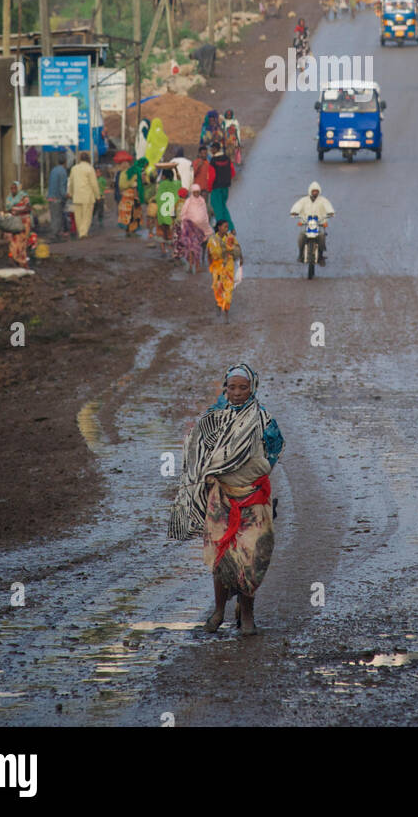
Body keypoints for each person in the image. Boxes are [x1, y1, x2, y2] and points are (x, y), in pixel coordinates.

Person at [168, 362, 284, 637]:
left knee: (250, 558)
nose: (237, 393)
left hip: (254, 498)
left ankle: (246, 614)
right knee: (221, 559)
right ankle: (219, 611)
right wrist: (212, 474)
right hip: (220, 499)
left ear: (252, 388)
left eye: (243, 387)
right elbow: (196, 451)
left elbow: (274, 450)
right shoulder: (212, 418)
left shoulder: (263, 420)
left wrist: (249, 471)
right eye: (232, 387)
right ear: (225, 388)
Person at [290, 181, 334, 265]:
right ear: (310, 191)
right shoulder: (303, 200)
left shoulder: (323, 200)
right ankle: (300, 254)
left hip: (319, 223)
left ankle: (321, 256)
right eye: (313, 191)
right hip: (306, 223)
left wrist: (331, 212)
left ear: (319, 191)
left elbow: (328, 207)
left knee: (321, 236)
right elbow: (297, 206)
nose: (315, 193)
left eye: (316, 191)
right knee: (302, 235)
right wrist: (294, 212)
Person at [206, 220, 242, 320]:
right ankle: (218, 303)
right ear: (219, 227)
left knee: (228, 289)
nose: (227, 229)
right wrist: (210, 266)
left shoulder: (230, 237)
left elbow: (238, 248)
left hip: (228, 267)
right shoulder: (212, 239)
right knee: (217, 287)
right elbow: (208, 253)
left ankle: (226, 313)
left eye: (227, 227)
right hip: (217, 268)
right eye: (225, 227)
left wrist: (240, 258)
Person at [180, 183, 213, 273]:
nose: (196, 194)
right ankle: (191, 266)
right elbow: (183, 213)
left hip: (200, 229)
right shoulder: (188, 201)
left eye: (198, 192)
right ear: (192, 192)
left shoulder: (202, 201)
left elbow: (205, 215)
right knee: (191, 248)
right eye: (195, 192)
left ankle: (197, 266)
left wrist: (206, 227)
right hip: (190, 228)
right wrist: (183, 225)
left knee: (197, 248)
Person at [67, 151, 100, 239]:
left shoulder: (74, 168)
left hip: (77, 196)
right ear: (88, 159)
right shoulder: (90, 168)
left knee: (78, 216)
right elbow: (94, 184)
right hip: (87, 196)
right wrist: (98, 195)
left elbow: (71, 182)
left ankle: (80, 232)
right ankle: (83, 233)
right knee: (87, 215)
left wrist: (70, 193)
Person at [209, 144, 235, 228]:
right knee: (223, 207)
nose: (211, 150)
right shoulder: (227, 158)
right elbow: (233, 172)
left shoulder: (213, 160)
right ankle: (230, 228)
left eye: (212, 149)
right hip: (225, 188)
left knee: (217, 209)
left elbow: (212, 176)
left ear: (215, 149)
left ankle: (220, 228)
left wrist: (209, 188)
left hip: (216, 188)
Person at [6, 189, 33, 269]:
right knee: (13, 241)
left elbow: (28, 208)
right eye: (11, 188)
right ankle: (14, 259)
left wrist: (18, 212)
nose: (13, 190)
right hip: (14, 222)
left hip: (24, 222)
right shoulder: (9, 198)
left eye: (15, 187)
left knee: (22, 241)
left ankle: (21, 261)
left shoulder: (24, 197)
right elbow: (8, 209)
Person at [47, 155, 69, 242]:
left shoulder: (54, 170)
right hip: (57, 198)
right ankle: (54, 235)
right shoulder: (63, 172)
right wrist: (66, 195)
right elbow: (62, 187)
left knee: (54, 217)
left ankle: (55, 233)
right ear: (65, 162)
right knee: (58, 217)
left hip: (51, 196)